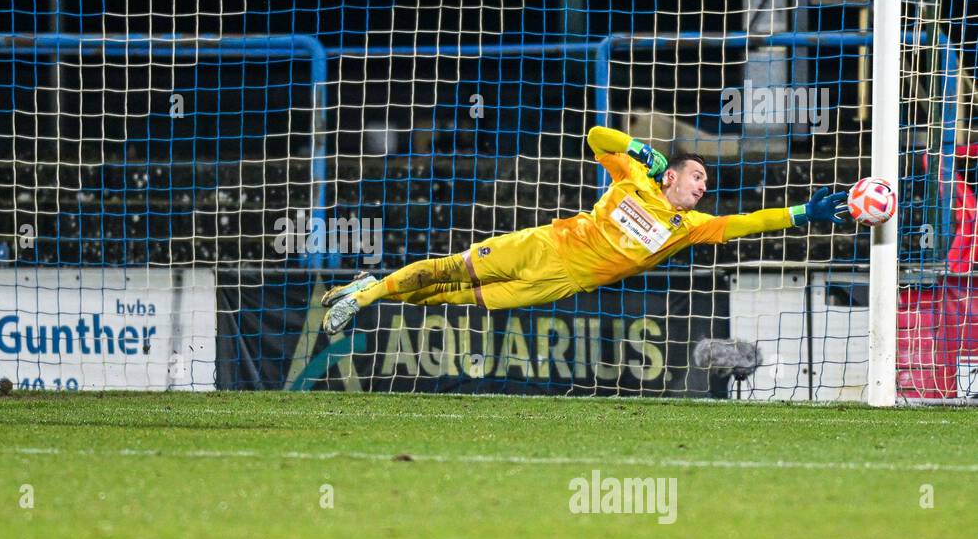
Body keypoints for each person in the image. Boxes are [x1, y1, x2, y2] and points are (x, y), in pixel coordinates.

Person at [320, 125, 848, 334]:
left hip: (561, 283)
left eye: (706, 182)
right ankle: (362, 299)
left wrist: (803, 213)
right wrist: (637, 147)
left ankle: (372, 287)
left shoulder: (690, 227)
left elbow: (749, 223)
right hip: (545, 245)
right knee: (449, 268)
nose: (703, 186)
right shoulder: (635, 176)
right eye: (696, 176)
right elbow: (595, 138)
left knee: (454, 299)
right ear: (670, 174)